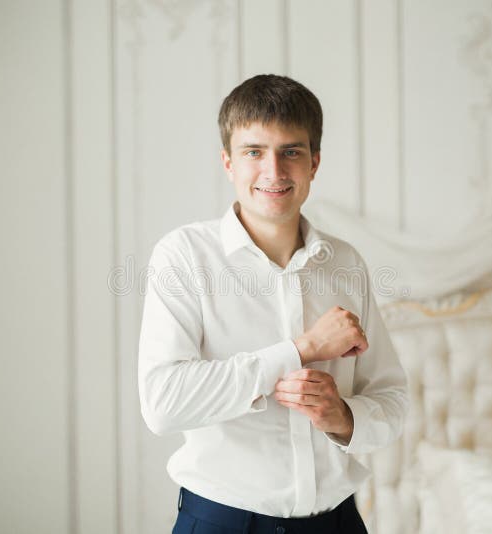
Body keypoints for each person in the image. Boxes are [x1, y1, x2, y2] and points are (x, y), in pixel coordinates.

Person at [138, 74, 408, 534]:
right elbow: (163, 404)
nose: (275, 172)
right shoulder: (183, 256)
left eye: (291, 152)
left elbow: (392, 400)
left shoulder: (346, 263)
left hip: (339, 523)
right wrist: (300, 350)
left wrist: (344, 418)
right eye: (254, 152)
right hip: (222, 522)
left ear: (314, 163)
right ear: (227, 162)